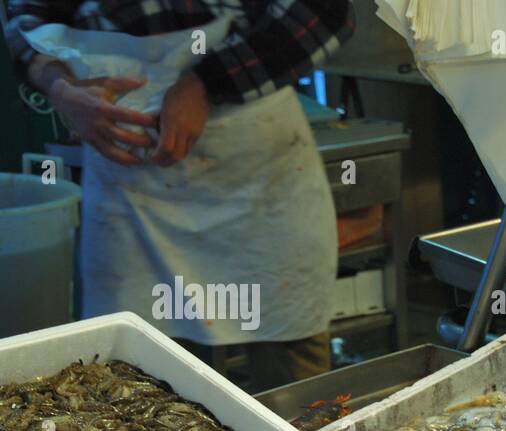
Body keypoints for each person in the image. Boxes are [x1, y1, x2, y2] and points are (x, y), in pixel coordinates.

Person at [4, 0, 355, 391]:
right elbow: (24, 20)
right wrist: (61, 87)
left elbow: (327, 11)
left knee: (297, 390)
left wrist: (206, 83)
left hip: (257, 177)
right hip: (130, 194)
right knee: (133, 387)